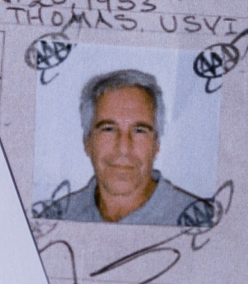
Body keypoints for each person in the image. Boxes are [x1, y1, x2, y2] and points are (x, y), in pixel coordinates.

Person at [41, 69, 213, 226]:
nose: (123, 148)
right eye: (108, 129)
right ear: (87, 142)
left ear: (156, 145)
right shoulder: (53, 220)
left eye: (139, 130)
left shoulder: (201, 222)